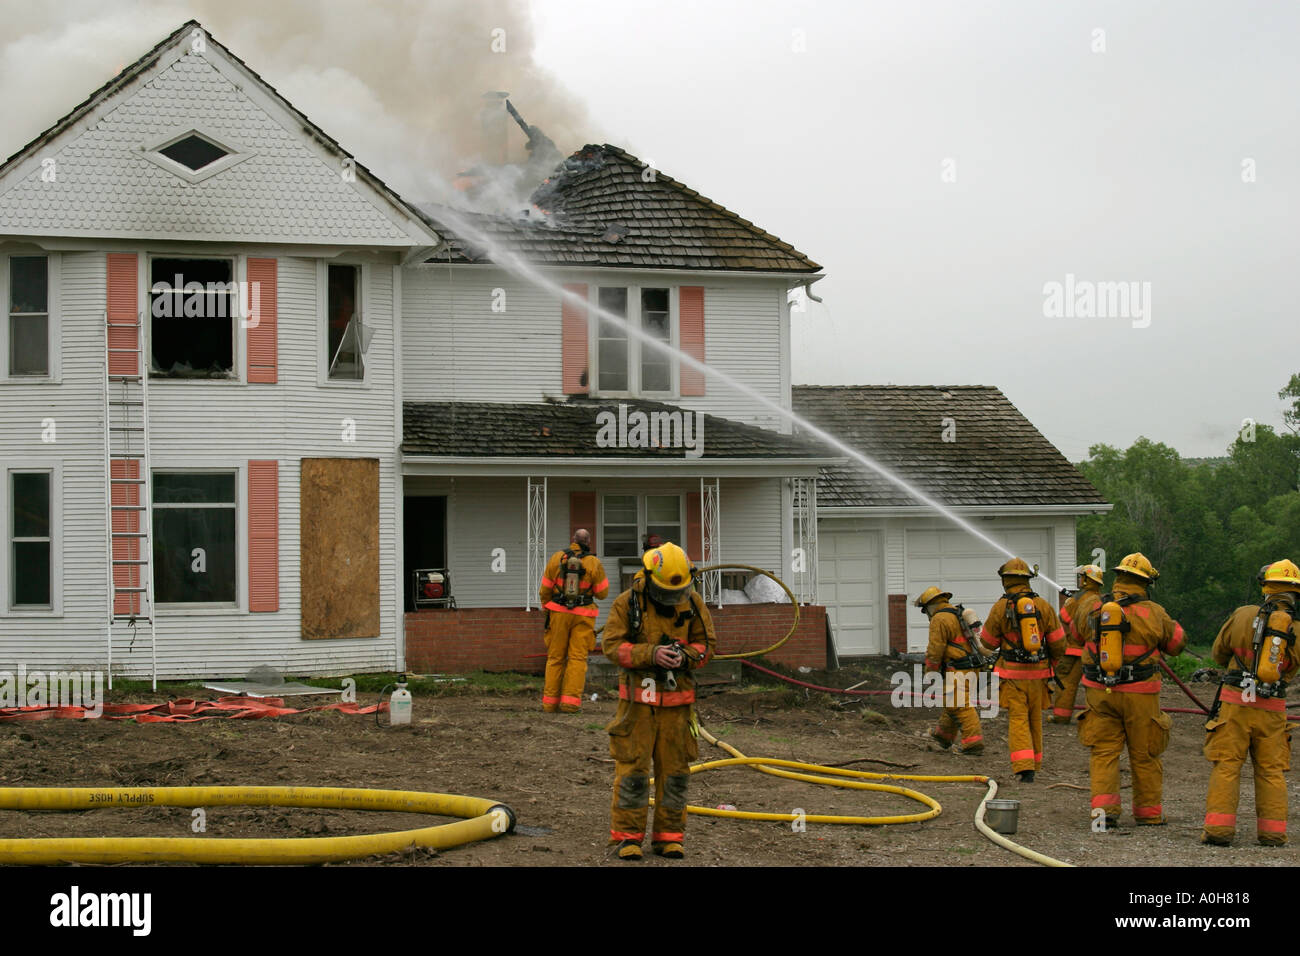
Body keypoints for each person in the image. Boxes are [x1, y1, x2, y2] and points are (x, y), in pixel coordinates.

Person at [602, 541, 716, 861]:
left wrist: (685, 657)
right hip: (640, 702)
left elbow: (707, 645)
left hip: (678, 707)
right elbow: (612, 646)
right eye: (664, 591)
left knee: (676, 773)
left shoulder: (692, 603)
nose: (671, 598)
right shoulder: (628, 603)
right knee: (634, 771)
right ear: (650, 577)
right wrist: (649, 654)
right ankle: (628, 838)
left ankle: (669, 837)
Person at [1075, 552, 1185, 828]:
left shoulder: (1094, 608)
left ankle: (1104, 814)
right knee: (1145, 753)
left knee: (1103, 752)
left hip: (1100, 692)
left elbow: (1075, 636)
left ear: (1118, 578)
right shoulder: (1155, 613)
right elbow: (1177, 645)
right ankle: (1148, 814)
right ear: (1145, 583)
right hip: (1141, 694)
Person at [1201, 559, 1300, 846]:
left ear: (1266, 586)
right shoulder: (1296, 628)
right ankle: (1272, 833)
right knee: (1271, 770)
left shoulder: (1243, 614)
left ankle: (1219, 831)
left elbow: (1219, 654)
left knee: (1227, 765)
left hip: (1235, 702)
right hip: (1272, 710)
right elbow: (1291, 671)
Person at [978, 557, 1066, 782]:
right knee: (1035, 718)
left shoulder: (1001, 607)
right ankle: (1035, 762)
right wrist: (1052, 666)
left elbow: (987, 642)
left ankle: (1024, 768)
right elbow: (1058, 643)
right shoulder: (1044, 606)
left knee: (1018, 719)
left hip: (1012, 676)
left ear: (1005, 580)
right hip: (1039, 675)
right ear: (1028, 580)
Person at [539, 528, 608, 713]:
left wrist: (548, 609)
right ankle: (570, 704)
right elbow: (602, 593)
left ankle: (549, 704)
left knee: (555, 658)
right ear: (589, 542)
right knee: (577, 659)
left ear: (573, 540)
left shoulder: (556, 558)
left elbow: (545, 590)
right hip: (583, 615)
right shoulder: (594, 562)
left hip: (558, 614)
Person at [916, 586, 985, 755]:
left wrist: (930, 672)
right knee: (953, 703)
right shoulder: (957, 613)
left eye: (925, 611)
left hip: (958, 670)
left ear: (930, 606)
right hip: (972, 668)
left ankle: (973, 743)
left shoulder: (939, 619)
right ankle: (943, 736)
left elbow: (935, 649)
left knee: (960, 705)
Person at [1049, 565, 1105, 723]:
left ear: (1087, 580)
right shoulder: (1100, 600)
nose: (1079, 580)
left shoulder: (1079, 599)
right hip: (1092, 652)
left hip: (1073, 650)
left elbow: (1064, 617)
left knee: (1066, 682)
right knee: (1093, 684)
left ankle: (1061, 716)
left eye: (1082, 577)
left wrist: (1068, 601)